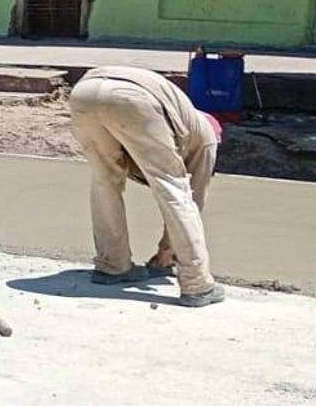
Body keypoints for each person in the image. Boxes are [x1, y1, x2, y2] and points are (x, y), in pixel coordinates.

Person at [68, 66, 226, 307]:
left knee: (104, 180)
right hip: (130, 97)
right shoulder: (206, 140)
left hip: (83, 93)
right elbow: (189, 199)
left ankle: (112, 266)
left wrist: (165, 251)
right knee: (173, 188)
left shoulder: (182, 119)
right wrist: (165, 256)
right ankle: (197, 285)